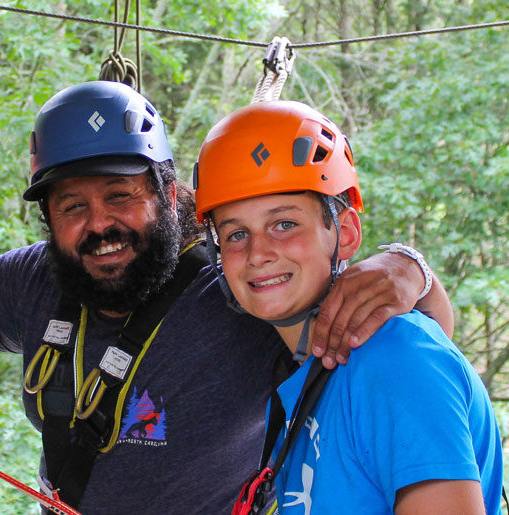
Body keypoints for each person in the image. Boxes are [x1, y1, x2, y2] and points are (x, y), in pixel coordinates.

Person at [0, 82, 454, 514]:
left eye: (121, 195)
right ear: (50, 222)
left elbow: (407, 345)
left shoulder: (241, 292)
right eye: (73, 205)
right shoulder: (36, 279)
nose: (98, 223)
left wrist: (409, 268)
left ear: (168, 197)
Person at [194, 100, 503, 514]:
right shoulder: (303, 379)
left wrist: (414, 268)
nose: (258, 253)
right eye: (235, 234)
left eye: (284, 224)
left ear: (345, 233)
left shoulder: (396, 358)